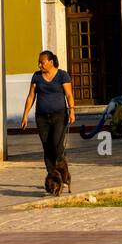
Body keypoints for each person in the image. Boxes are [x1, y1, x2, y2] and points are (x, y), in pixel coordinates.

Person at [20, 50, 75, 191]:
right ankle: (53, 178)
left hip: (59, 115)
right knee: (47, 147)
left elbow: (68, 94)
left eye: (42, 62)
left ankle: (63, 171)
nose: (39, 65)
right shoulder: (37, 77)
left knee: (57, 145)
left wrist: (72, 110)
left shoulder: (62, 75)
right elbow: (31, 96)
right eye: (39, 62)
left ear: (50, 62)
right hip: (42, 117)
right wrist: (25, 115)